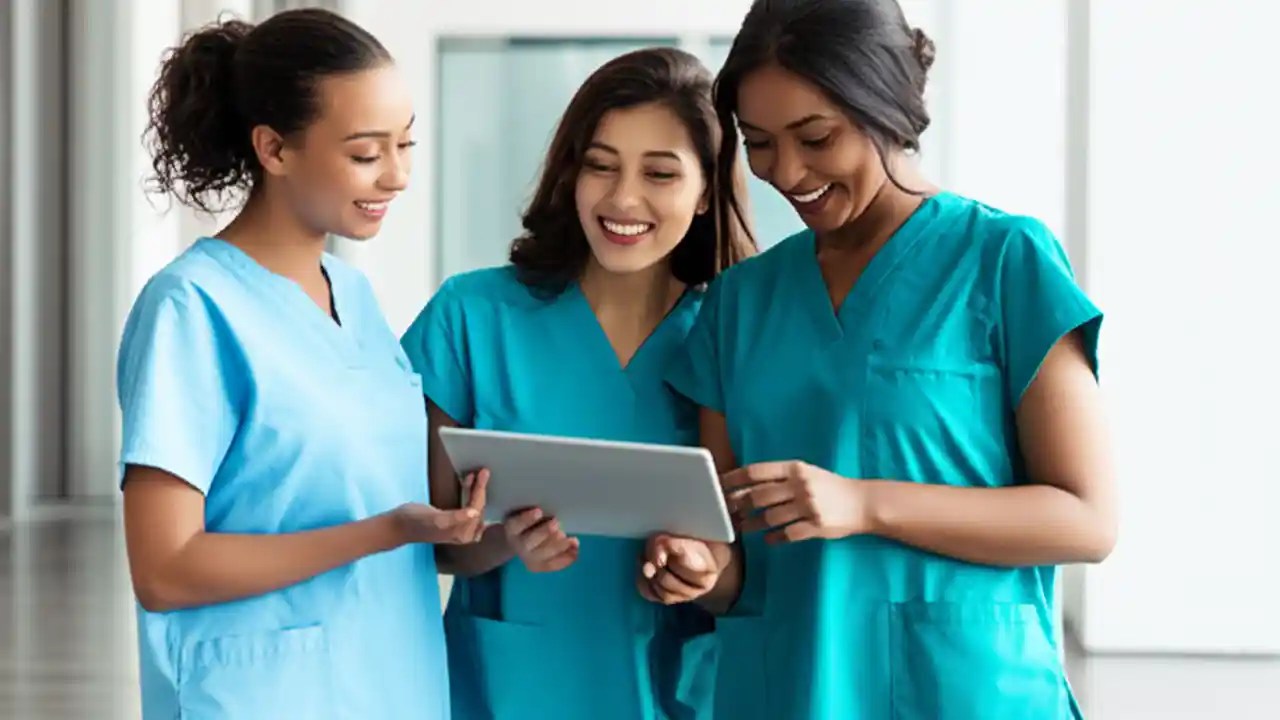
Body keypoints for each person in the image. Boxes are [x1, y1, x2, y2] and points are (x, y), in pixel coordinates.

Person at [639, 1, 1119, 718]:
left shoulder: (1002, 261)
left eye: (816, 137)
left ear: (885, 104)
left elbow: (1086, 520)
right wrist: (698, 570)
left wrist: (863, 504)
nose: (786, 172)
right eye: (759, 143)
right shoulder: (739, 304)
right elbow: (733, 557)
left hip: (959, 692)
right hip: (788, 690)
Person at [117, 9, 485, 719]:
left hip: (391, 683)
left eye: (406, 144)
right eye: (366, 153)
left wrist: (489, 537)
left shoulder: (354, 297)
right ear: (274, 149)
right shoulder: (191, 308)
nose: (398, 175)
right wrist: (385, 531)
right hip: (259, 694)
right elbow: (164, 568)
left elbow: (378, 497)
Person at [400, 47, 755, 720]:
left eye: (659, 173)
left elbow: (754, 574)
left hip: (671, 691)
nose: (623, 198)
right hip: (506, 691)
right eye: (601, 165)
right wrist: (505, 540)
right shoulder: (472, 317)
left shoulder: (734, 336)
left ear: (708, 190)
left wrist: (702, 572)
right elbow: (426, 538)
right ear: (572, 172)